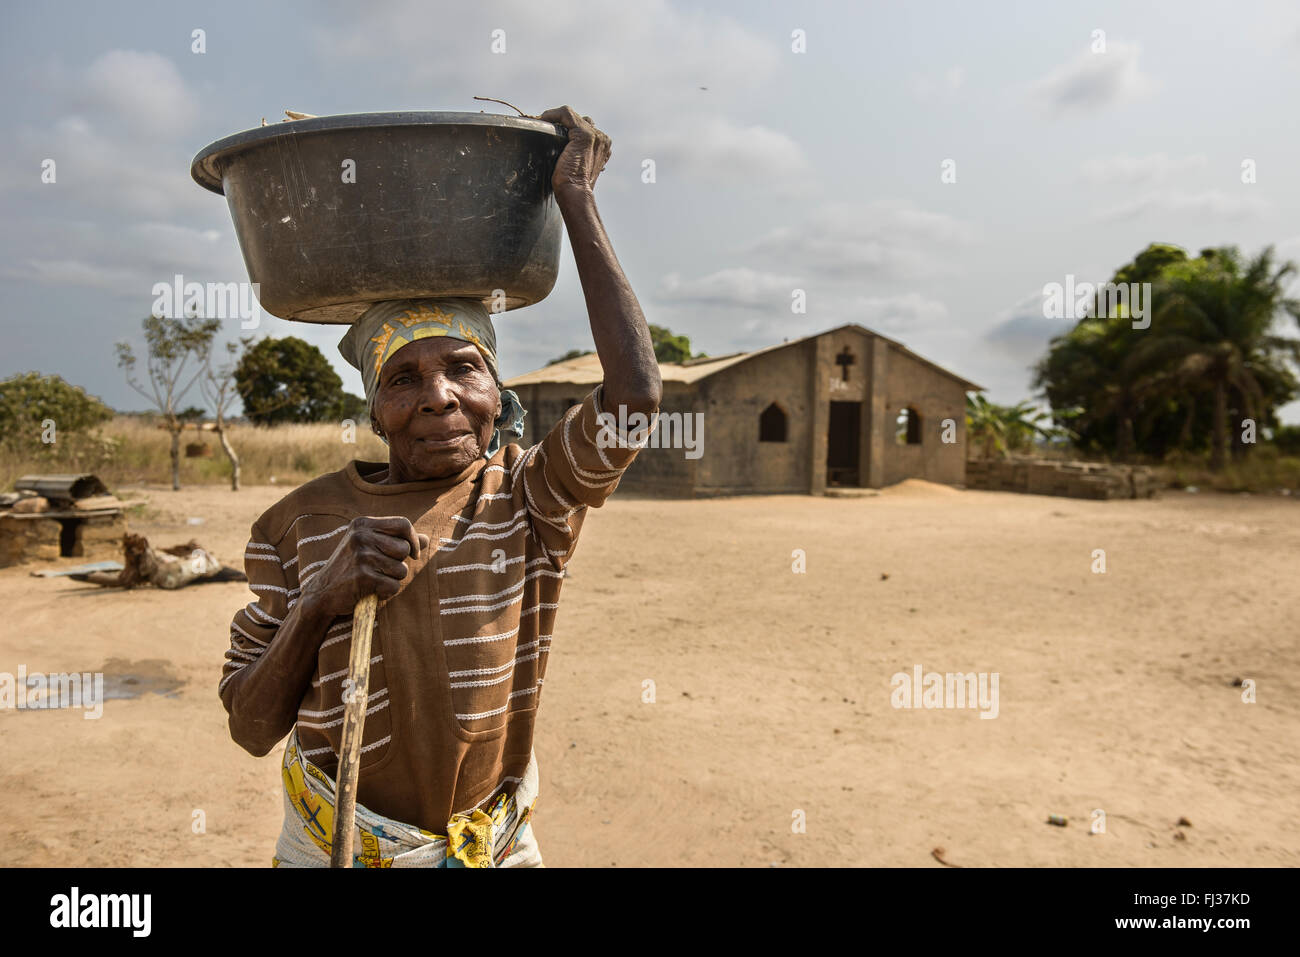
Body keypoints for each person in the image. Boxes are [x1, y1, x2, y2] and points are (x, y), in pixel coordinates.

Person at [218, 106, 662, 867]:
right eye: (404, 378)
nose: (438, 397)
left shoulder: (530, 497)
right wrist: (323, 598)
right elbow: (252, 727)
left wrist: (576, 197)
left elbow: (635, 399)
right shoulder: (293, 525)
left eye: (463, 367)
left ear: (497, 390)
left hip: (492, 846)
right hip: (335, 847)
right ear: (377, 409)